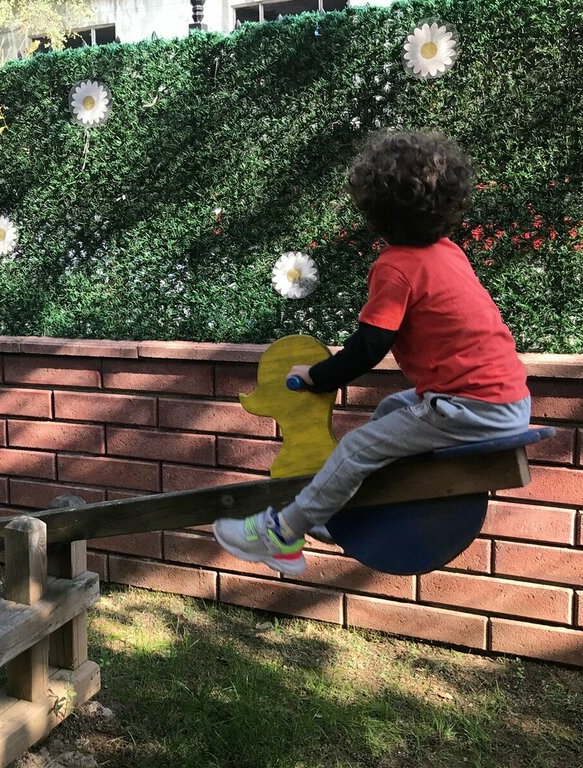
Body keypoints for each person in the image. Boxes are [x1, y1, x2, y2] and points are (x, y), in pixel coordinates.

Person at [213, 130, 531, 575]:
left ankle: (281, 534)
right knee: (391, 408)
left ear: (375, 209)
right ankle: (337, 508)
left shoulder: (396, 267)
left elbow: (368, 348)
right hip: (508, 400)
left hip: (469, 407)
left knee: (355, 447)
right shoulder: (449, 252)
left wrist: (316, 377)